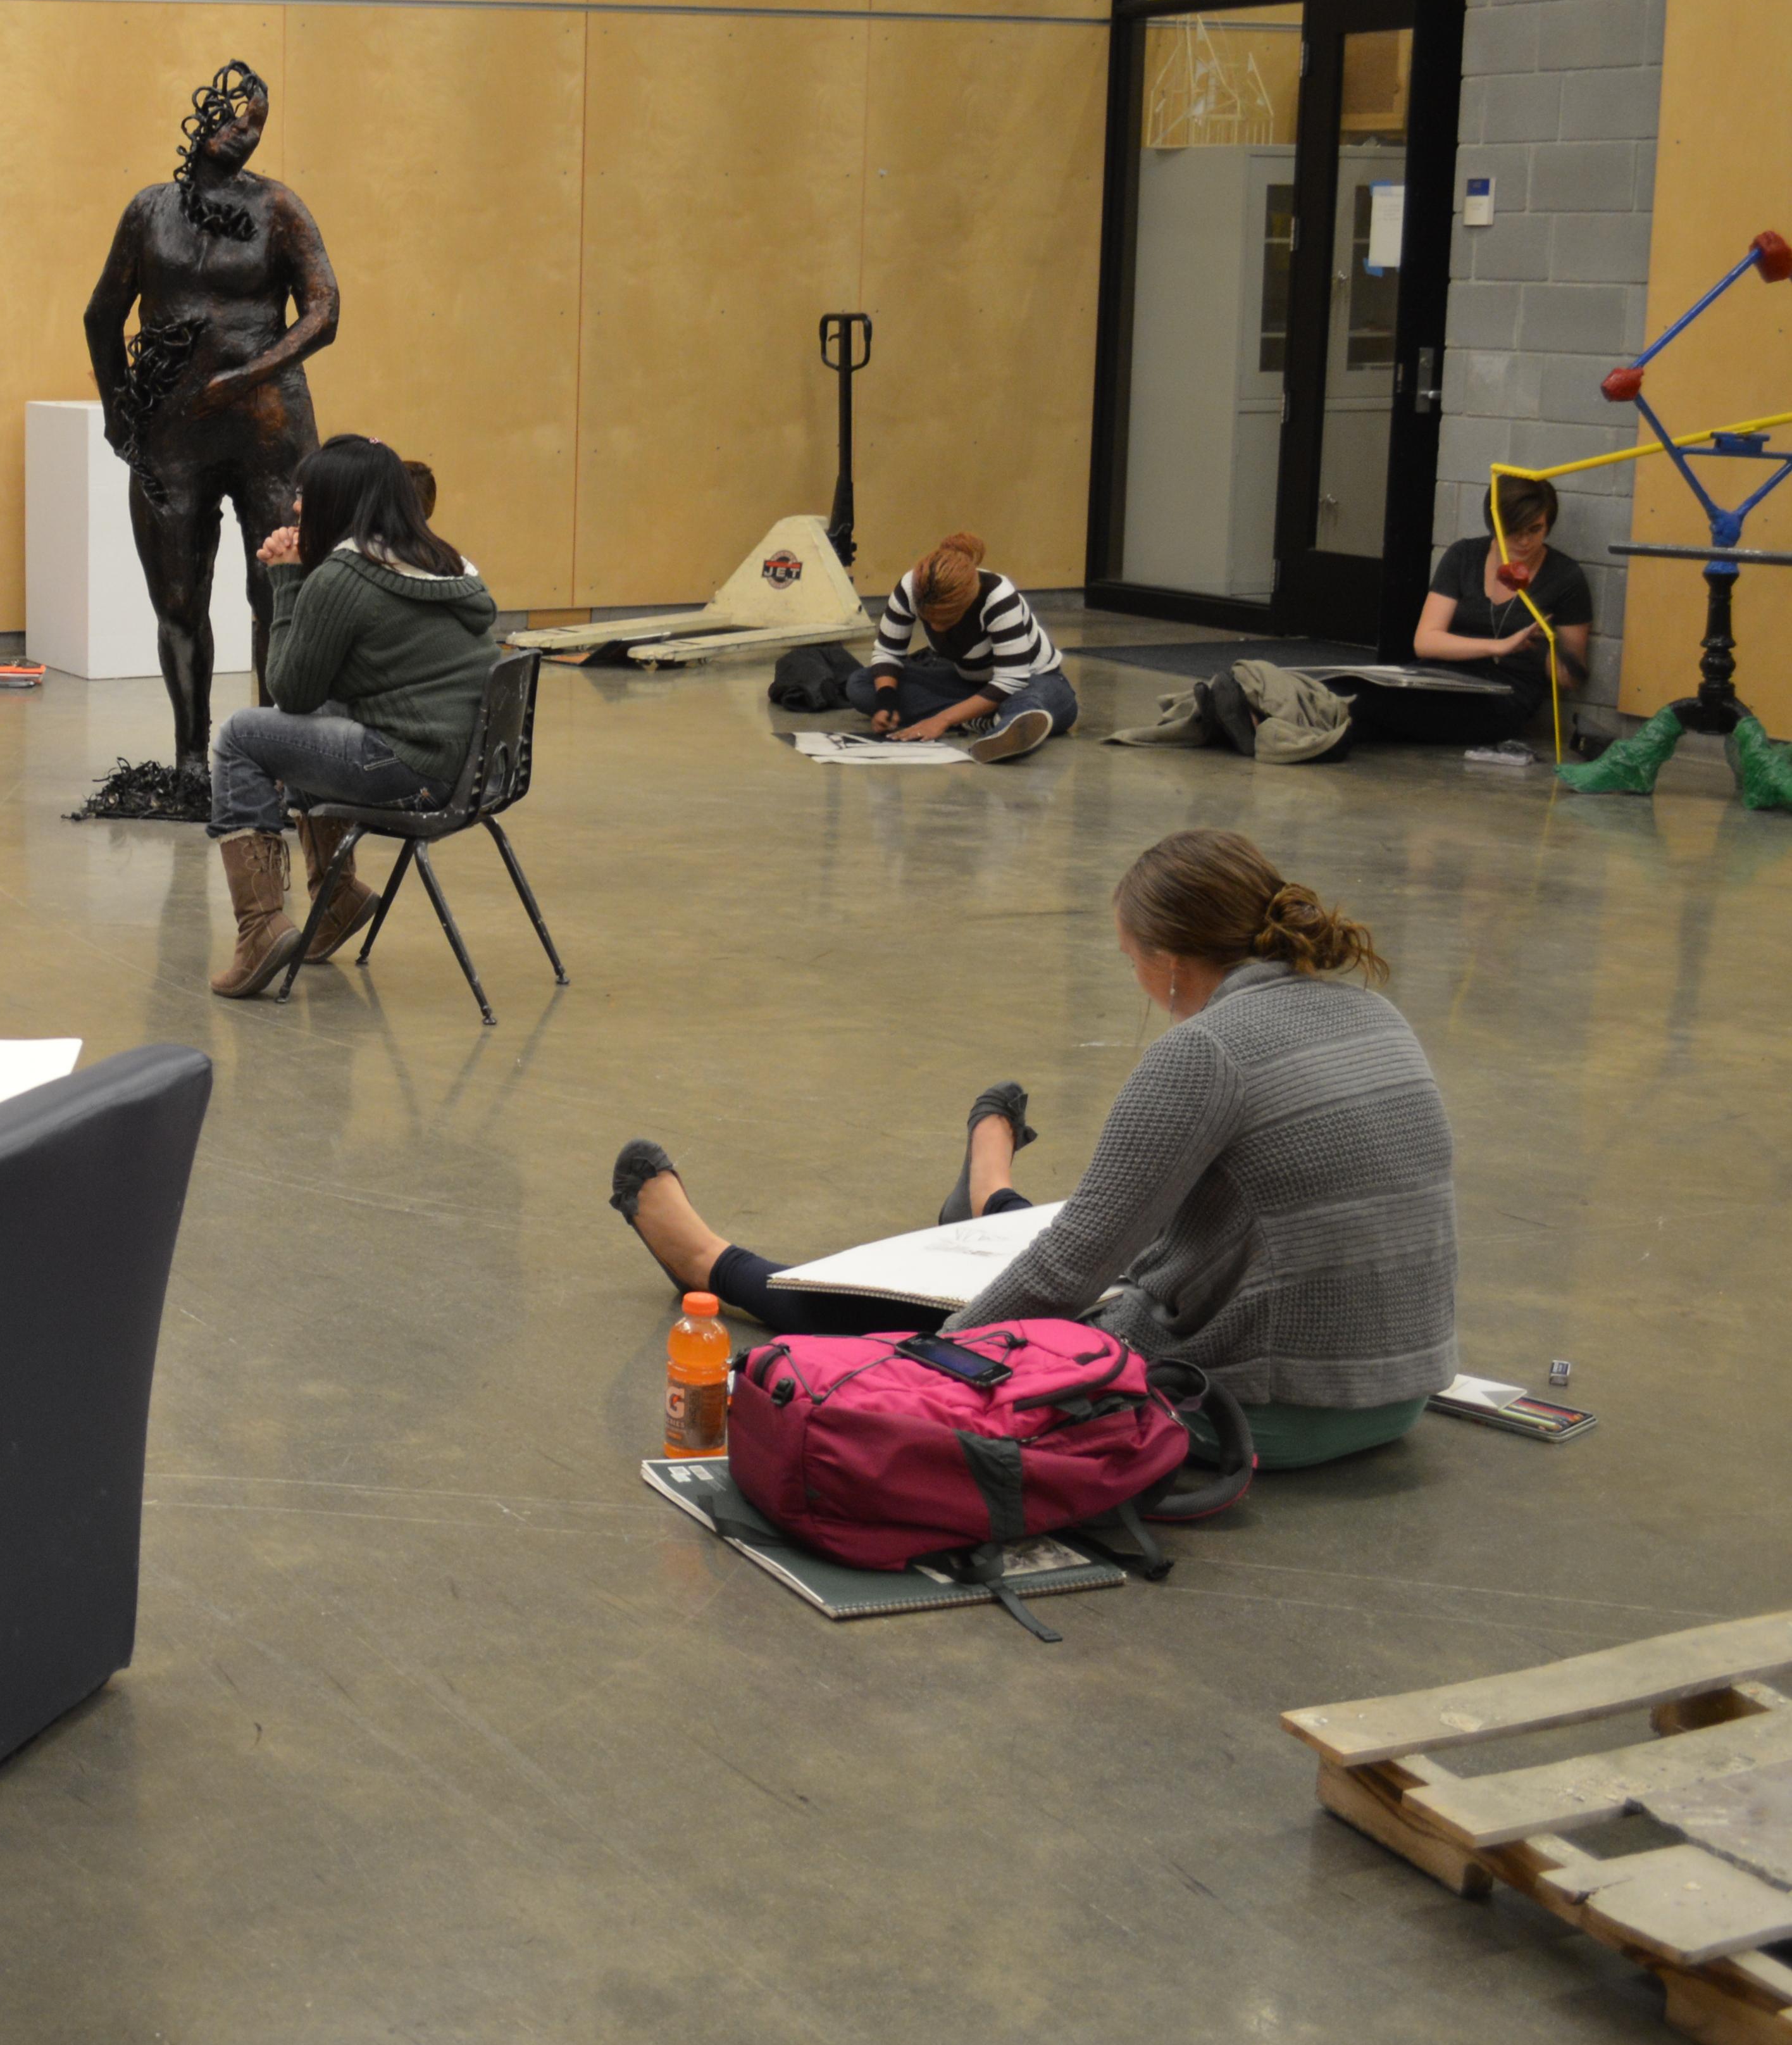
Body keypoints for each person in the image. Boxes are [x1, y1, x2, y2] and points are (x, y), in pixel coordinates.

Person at [606, 830, 1455, 1472]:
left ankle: (718, 1267)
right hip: (1397, 1393)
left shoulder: (1206, 1053)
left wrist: (921, 1372)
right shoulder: (1373, 1013)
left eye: (1129, 960)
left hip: (1263, 1410)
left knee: (947, 1318)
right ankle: (990, 1191)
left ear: (1164, 962)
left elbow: (1069, 1272)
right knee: (1068, 1264)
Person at [82, 59, 343, 786]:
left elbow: (324, 310)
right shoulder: (149, 211)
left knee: (279, 591)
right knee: (176, 596)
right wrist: (115, 412)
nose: (243, 132)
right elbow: (102, 314)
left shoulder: (279, 208)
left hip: (270, 428)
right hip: (171, 434)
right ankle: (193, 760)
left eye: (257, 122)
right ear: (202, 117)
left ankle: (275, 753)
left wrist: (249, 374)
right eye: (234, 115)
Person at [203, 435, 498, 1000]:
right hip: (476, 768)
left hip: (418, 772)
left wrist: (289, 581)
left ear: (340, 501)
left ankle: (261, 927)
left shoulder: (342, 579)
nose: (295, 507)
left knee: (243, 738)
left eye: (306, 495)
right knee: (320, 710)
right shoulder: (442, 559)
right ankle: (335, 899)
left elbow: (288, 690)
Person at [1403, 477, 1594, 746]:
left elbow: (1571, 676)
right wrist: (1499, 646)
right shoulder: (1464, 555)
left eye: (1536, 529)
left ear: (1548, 525)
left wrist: (1556, 655)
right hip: (1443, 674)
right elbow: (1426, 641)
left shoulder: (1565, 576)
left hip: (1506, 692)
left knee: (1431, 714)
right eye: (1513, 531)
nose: (1525, 541)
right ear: (1494, 525)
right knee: (1370, 696)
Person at [852, 532, 1075, 761]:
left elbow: (1011, 680)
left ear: (967, 603)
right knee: (861, 684)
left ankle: (1009, 726)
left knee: (1034, 701)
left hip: (1032, 681)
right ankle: (986, 719)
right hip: (969, 684)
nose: (936, 628)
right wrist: (886, 702)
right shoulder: (911, 586)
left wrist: (942, 720)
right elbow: (887, 653)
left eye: (947, 620)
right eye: (928, 619)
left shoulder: (998, 597)